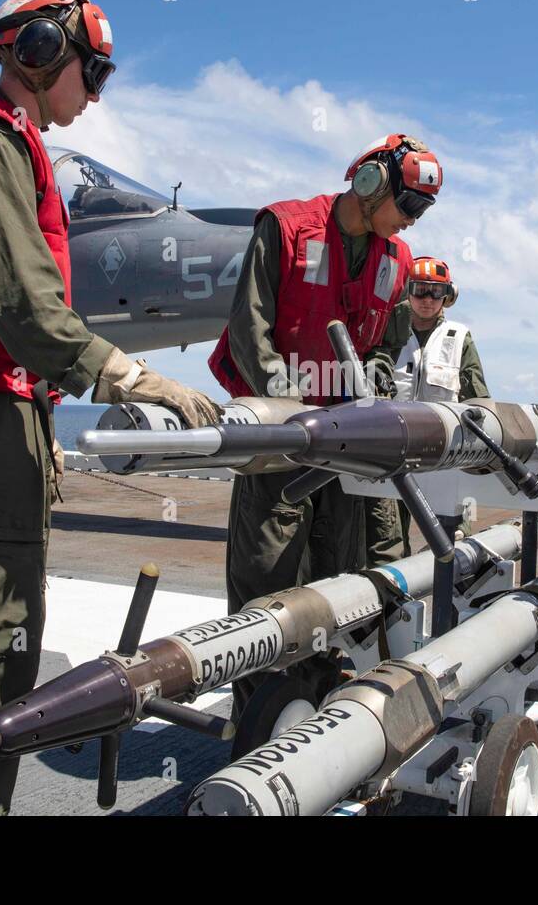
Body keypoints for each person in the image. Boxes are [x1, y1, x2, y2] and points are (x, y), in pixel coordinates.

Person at [0, 0, 219, 815]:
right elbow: (23, 307)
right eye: (94, 71)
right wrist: (128, 375)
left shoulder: (8, 144)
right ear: (39, 51)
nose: (98, 92)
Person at [207, 134, 443, 716]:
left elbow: (387, 344)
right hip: (279, 439)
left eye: (421, 211)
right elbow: (248, 327)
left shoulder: (398, 260)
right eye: (408, 206)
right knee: (269, 574)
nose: (411, 221)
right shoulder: (285, 229)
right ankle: (258, 714)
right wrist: (285, 405)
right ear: (370, 184)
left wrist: (380, 376)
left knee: (337, 579)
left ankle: (316, 705)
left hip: (345, 445)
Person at [366, 256, 489, 563]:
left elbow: (477, 395)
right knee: (385, 542)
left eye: (435, 291)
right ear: (407, 291)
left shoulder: (459, 337)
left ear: (447, 295)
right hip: (392, 450)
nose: (426, 299)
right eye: (419, 290)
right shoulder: (387, 334)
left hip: (442, 452)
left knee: (454, 536)